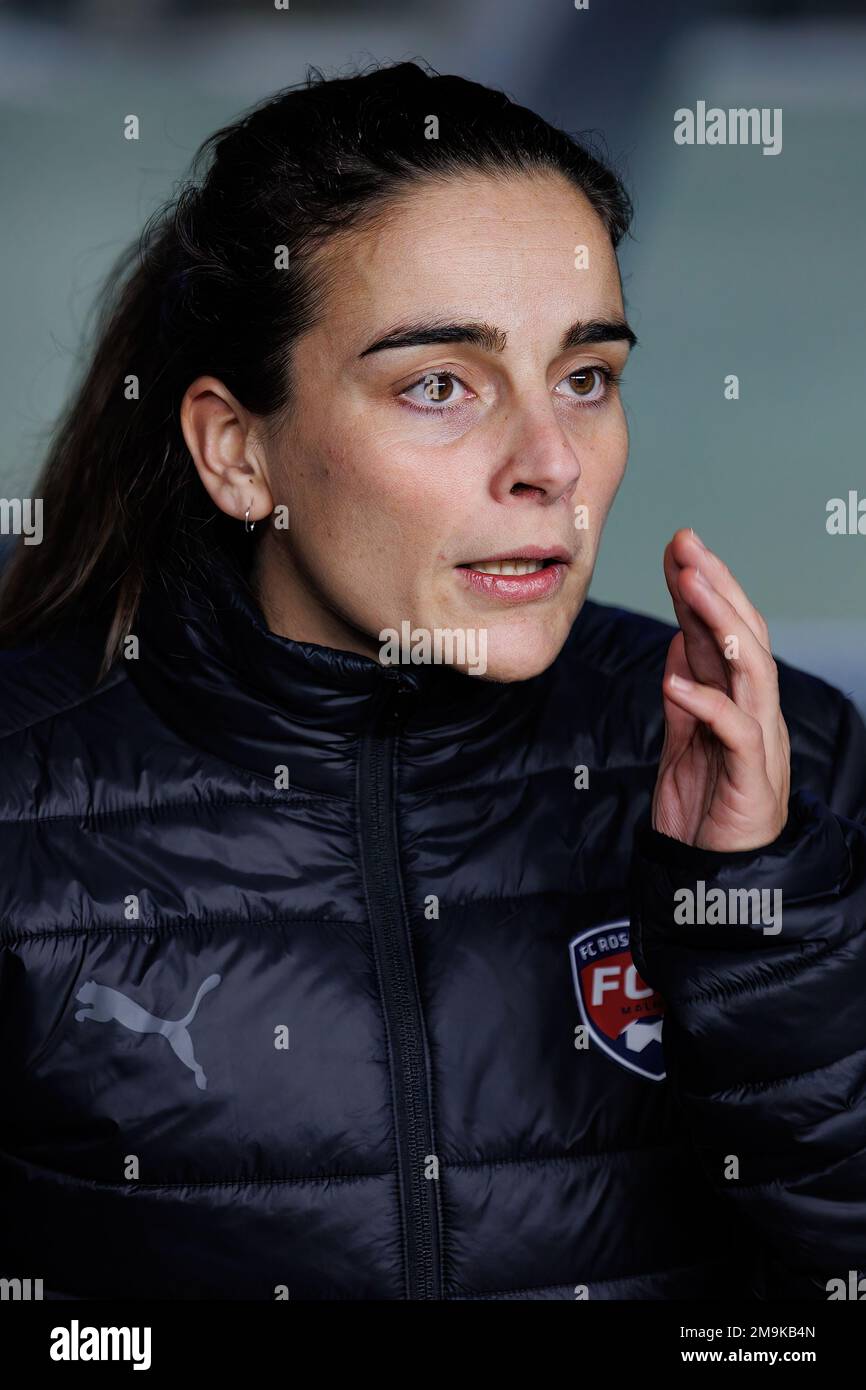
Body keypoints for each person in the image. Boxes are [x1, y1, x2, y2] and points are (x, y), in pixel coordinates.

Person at [0, 59, 863, 1302]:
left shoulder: (787, 766)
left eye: (586, 377)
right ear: (237, 452)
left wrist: (750, 917)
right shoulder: (24, 802)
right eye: (438, 385)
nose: (549, 463)